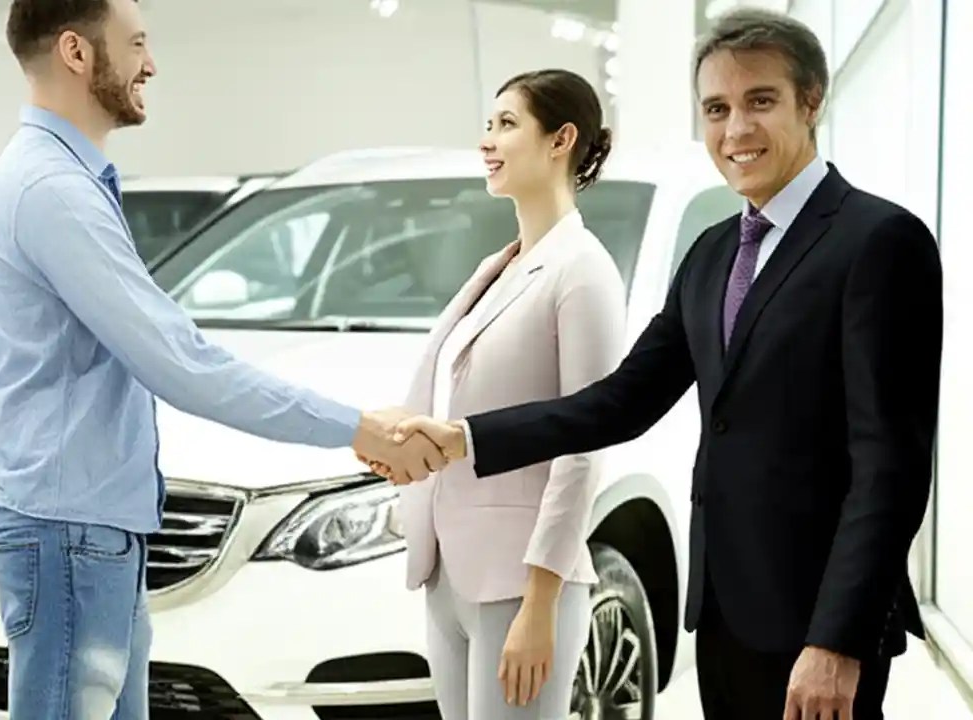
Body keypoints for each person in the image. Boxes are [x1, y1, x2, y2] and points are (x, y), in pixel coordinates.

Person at [385, 8, 943, 720]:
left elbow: (890, 468)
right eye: (717, 108)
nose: (735, 130)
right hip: (724, 608)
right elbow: (620, 400)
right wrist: (469, 438)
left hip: (819, 620)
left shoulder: (880, 241)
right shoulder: (712, 252)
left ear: (812, 102)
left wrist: (839, 640)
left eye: (760, 101)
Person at [0, 1, 445, 718]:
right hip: (70, 537)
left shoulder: (52, 178)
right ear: (75, 51)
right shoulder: (53, 191)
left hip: (81, 529)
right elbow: (179, 361)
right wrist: (359, 429)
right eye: (135, 45)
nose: (150, 65)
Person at [363, 69, 624, 720]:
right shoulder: (500, 266)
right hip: (451, 574)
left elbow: (584, 445)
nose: (488, 140)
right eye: (489, 123)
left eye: (507, 124)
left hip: (522, 581)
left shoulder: (583, 270)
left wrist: (542, 603)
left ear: (561, 139)